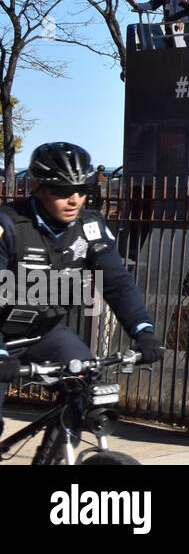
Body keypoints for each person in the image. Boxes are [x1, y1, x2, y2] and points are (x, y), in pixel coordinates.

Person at [0, 143, 165, 430]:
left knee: (86, 394)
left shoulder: (90, 228)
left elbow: (116, 282)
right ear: (38, 187)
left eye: (82, 189)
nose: (74, 199)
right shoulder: (10, 226)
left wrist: (144, 331)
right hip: (2, 334)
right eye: (63, 190)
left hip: (43, 333)